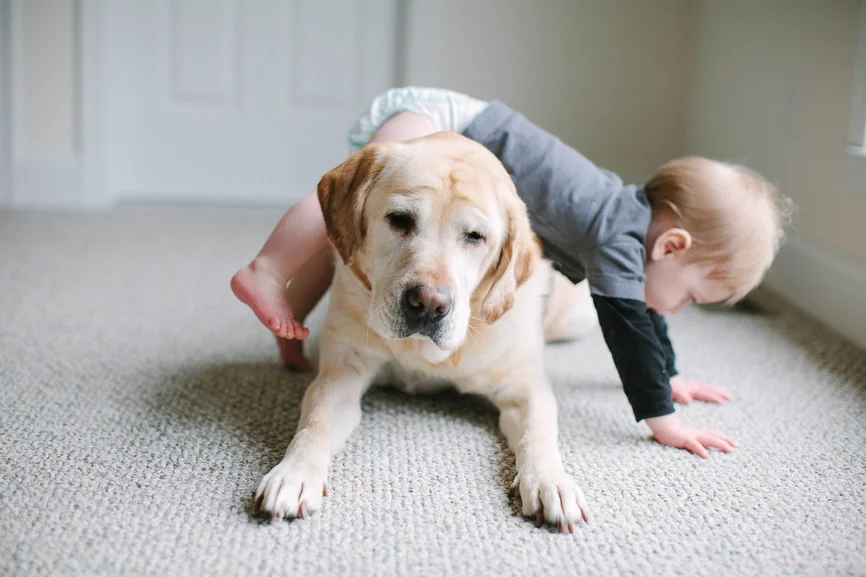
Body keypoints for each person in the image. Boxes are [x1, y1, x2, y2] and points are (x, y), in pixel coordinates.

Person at [231, 87, 791, 458]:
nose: (678, 308)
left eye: (477, 236)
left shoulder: (627, 233)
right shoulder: (620, 243)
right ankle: (268, 268)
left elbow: (642, 315)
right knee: (348, 205)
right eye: (690, 296)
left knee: (364, 216)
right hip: (440, 119)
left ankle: (292, 325)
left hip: (462, 123)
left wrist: (668, 373)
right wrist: (662, 417)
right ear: (671, 246)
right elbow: (629, 329)